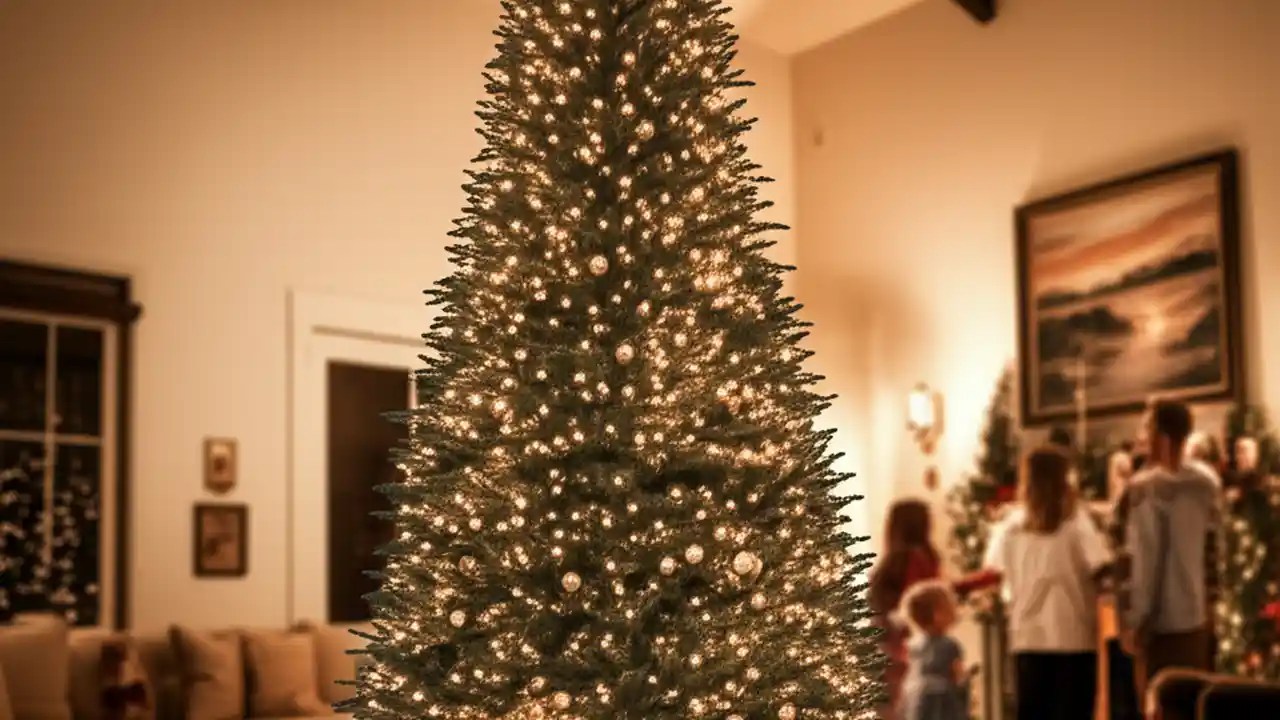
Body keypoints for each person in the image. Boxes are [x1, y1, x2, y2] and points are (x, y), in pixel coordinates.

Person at [983, 445, 1112, 720]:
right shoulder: (1076, 523)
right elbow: (1101, 569)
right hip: (1074, 636)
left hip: (1027, 636)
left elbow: (994, 574)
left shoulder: (1010, 527)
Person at [1119, 400, 1221, 685]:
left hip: (1161, 626)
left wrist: (1135, 620)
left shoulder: (1145, 489)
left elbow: (1145, 559)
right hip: (1196, 618)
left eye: (1146, 428)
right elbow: (1213, 551)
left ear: (1160, 437)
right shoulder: (1207, 482)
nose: (1142, 437)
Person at [869, 500, 942, 715]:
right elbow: (917, 608)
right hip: (912, 659)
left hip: (888, 656)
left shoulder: (889, 565)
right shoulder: (919, 561)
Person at [897, 581, 970, 720]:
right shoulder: (949, 645)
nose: (956, 610)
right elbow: (958, 676)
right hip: (942, 703)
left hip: (916, 699)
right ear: (938, 615)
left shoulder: (912, 645)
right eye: (951, 606)